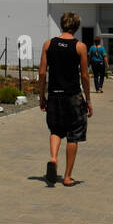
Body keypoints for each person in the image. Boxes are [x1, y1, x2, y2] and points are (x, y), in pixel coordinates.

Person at [37, 12, 92, 187]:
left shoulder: (48, 44)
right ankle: (67, 177)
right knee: (73, 135)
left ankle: (53, 158)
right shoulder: (80, 47)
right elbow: (84, 75)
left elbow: (42, 73)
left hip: (54, 95)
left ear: (61, 24)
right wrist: (88, 99)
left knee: (55, 129)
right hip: (73, 96)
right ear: (76, 27)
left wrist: (42, 96)